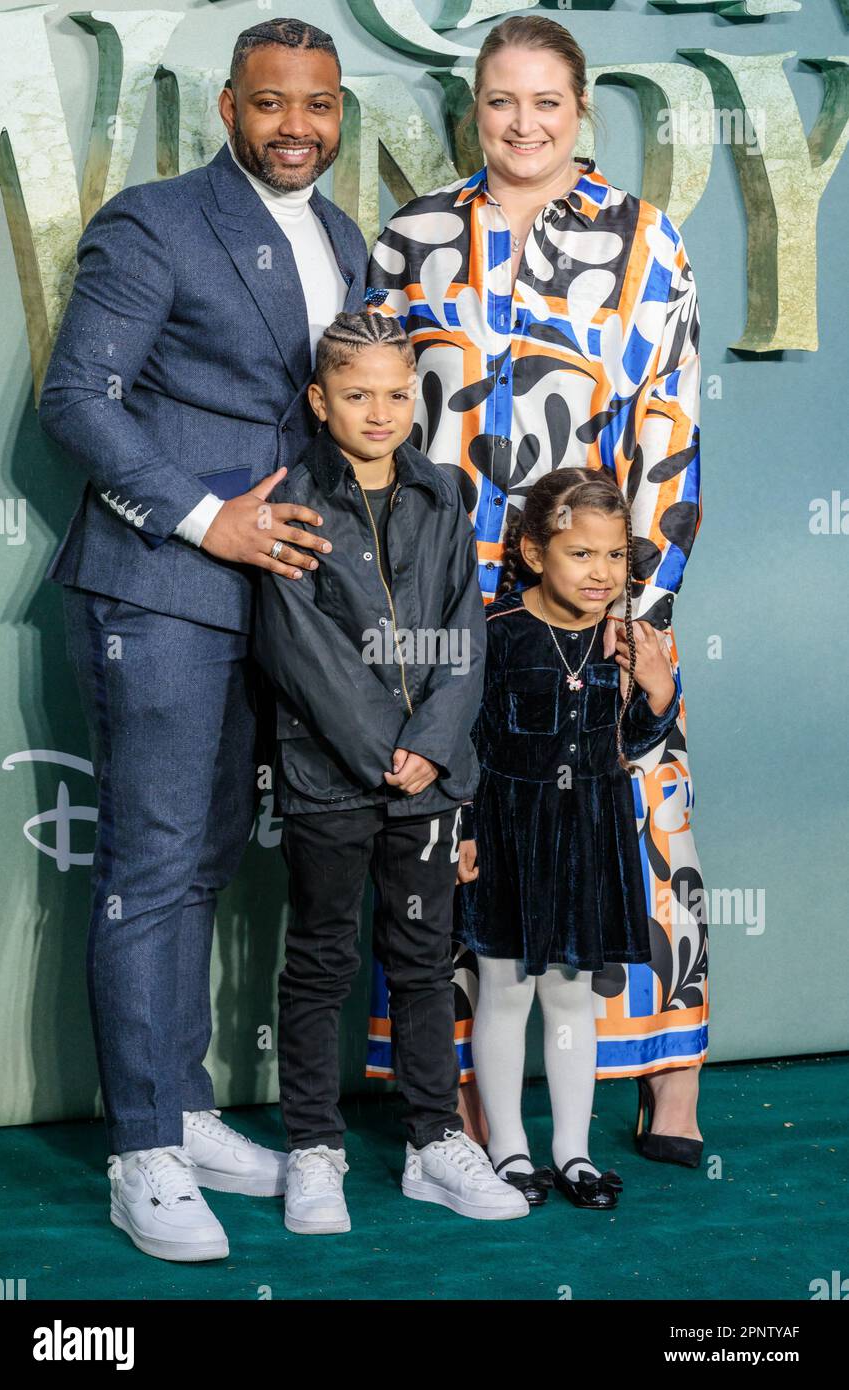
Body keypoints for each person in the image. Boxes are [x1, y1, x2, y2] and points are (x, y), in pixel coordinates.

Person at [37, 18, 368, 1262]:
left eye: (320, 106)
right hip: (159, 585)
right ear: (229, 107)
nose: (298, 127)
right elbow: (76, 395)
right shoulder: (154, 218)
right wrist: (201, 517)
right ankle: (140, 1155)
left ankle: (181, 1102)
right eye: (273, 104)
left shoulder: (342, 238)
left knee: (208, 857)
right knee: (153, 862)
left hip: (277, 601)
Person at [365, 13, 706, 1161]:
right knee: (469, 828)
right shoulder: (410, 236)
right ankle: (470, 1084)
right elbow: (371, 415)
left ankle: (668, 1075)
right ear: (475, 109)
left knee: (636, 819)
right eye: (501, 102)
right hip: (445, 599)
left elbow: (669, 429)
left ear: (580, 111)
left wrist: (640, 608)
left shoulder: (645, 239)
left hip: (590, 591)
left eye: (546, 103)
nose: (523, 124)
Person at [253, 310, 530, 1232]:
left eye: (397, 393)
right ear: (319, 400)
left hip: (434, 783)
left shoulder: (447, 493)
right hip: (331, 779)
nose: (380, 411)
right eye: (358, 394)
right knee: (322, 960)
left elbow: (465, 628)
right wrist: (386, 751)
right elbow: (299, 647)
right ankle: (315, 1150)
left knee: (421, 962)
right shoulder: (290, 496)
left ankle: (431, 1143)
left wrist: (437, 743)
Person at [456, 468, 680, 1208]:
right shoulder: (493, 634)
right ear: (530, 550)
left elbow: (634, 745)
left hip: (591, 830)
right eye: (581, 554)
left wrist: (658, 693)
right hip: (508, 831)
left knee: (571, 996)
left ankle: (573, 1152)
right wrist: (461, 830)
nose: (601, 572)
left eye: (614, 556)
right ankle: (510, 1148)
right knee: (504, 988)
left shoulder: (629, 639)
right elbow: (463, 741)